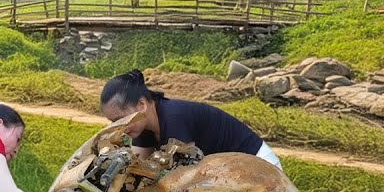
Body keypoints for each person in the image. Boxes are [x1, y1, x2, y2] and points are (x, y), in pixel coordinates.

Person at [99, 69, 281, 169]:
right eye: (114, 123)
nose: (120, 128)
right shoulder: (142, 125)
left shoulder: (174, 118)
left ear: (141, 105)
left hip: (258, 166)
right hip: (228, 170)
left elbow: (183, 174)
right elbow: (137, 166)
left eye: (121, 120)